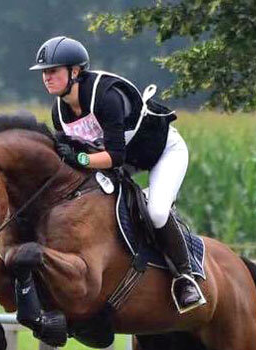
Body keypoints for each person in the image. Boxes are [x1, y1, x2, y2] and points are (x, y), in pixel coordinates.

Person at [30, 35, 205, 312]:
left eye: (53, 71)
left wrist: (80, 157)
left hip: (162, 152)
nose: (46, 78)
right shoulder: (59, 113)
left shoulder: (105, 97)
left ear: (75, 71)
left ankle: (185, 277)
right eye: (44, 73)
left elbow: (114, 156)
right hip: (121, 163)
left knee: (157, 211)